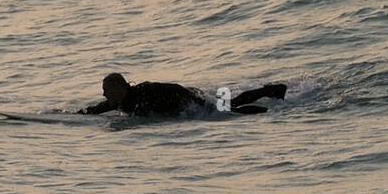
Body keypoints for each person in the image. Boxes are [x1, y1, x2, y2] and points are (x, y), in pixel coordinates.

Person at [78, 73, 286, 117]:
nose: (103, 94)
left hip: (187, 97)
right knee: (230, 104)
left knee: (230, 111)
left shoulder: (143, 92)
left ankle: (267, 109)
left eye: (107, 90)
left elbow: (174, 90)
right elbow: (93, 111)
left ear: (120, 88)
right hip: (186, 98)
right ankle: (270, 90)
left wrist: (190, 105)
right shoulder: (119, 102)